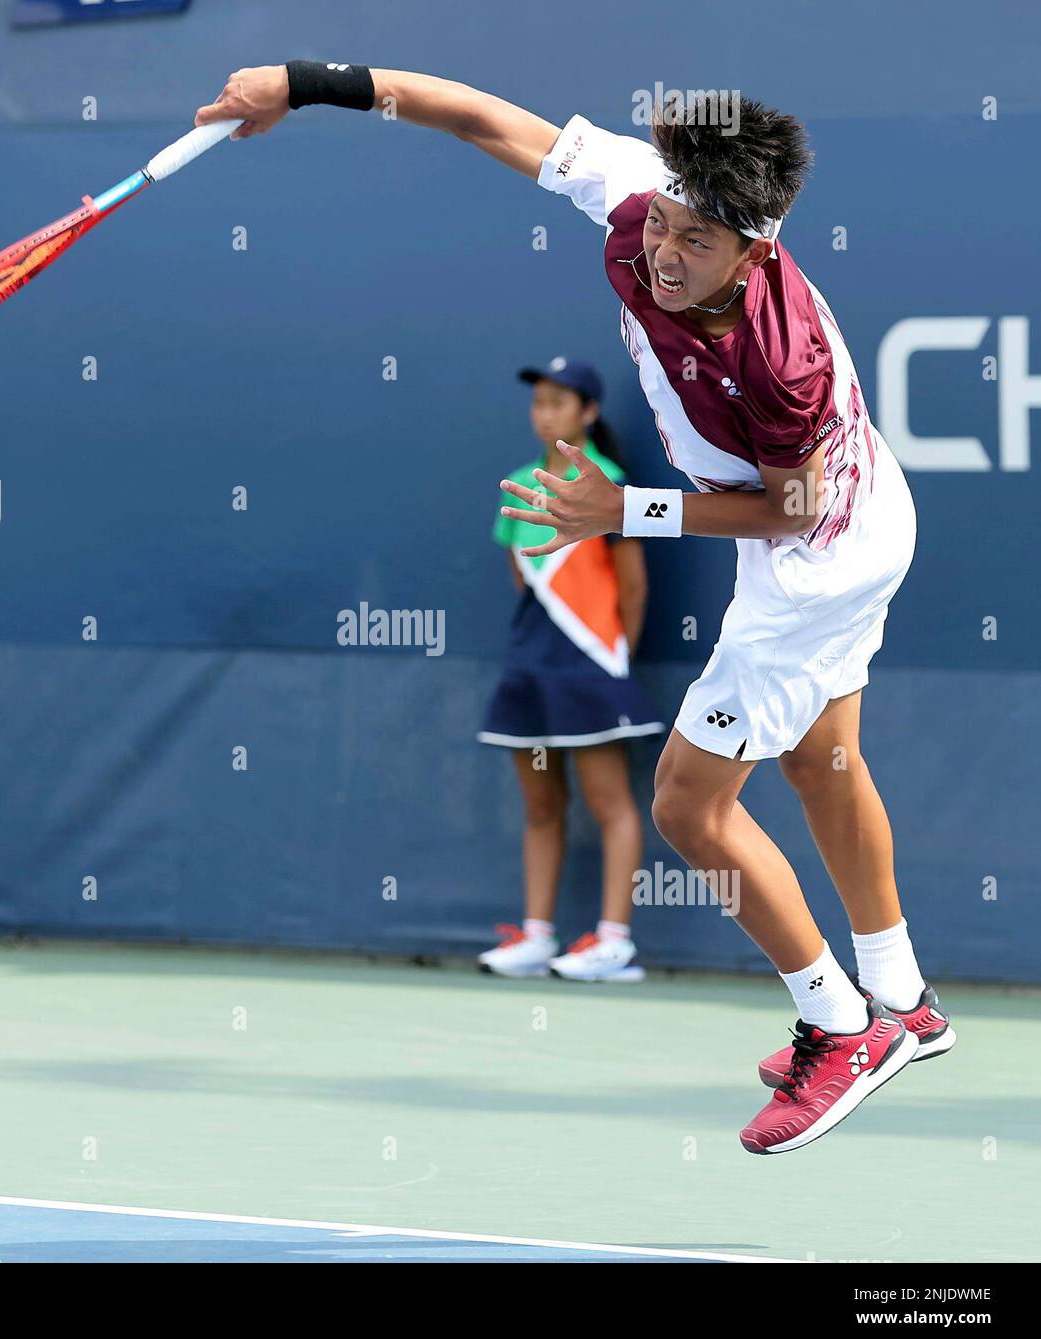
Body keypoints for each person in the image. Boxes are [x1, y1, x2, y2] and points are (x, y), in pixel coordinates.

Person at [195, 63, 954, 1155]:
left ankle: (840, 1028)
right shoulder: (641, 194)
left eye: (699, 242)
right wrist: (305, 85)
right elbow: (480, 117)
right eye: (669, 225)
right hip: (871, 516)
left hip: (819, 552)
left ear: (758, 251)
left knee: (688, 806)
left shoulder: (777, 357)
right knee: (823, 760)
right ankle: (904, 1003)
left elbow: (790, 508)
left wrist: (624, 508)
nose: (665, 251)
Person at [477, 357, 663, 982]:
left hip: (591, 668)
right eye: (539, 402)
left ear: (588, 413)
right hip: (530, 666)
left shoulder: (611, 485)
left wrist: (612, 659)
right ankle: (535, 935)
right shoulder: (519, 483)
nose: (546, 412)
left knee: (610, 802)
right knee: (540, 804)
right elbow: (519, 577)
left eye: (560, 402)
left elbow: (632, 586)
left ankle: (615, 943)